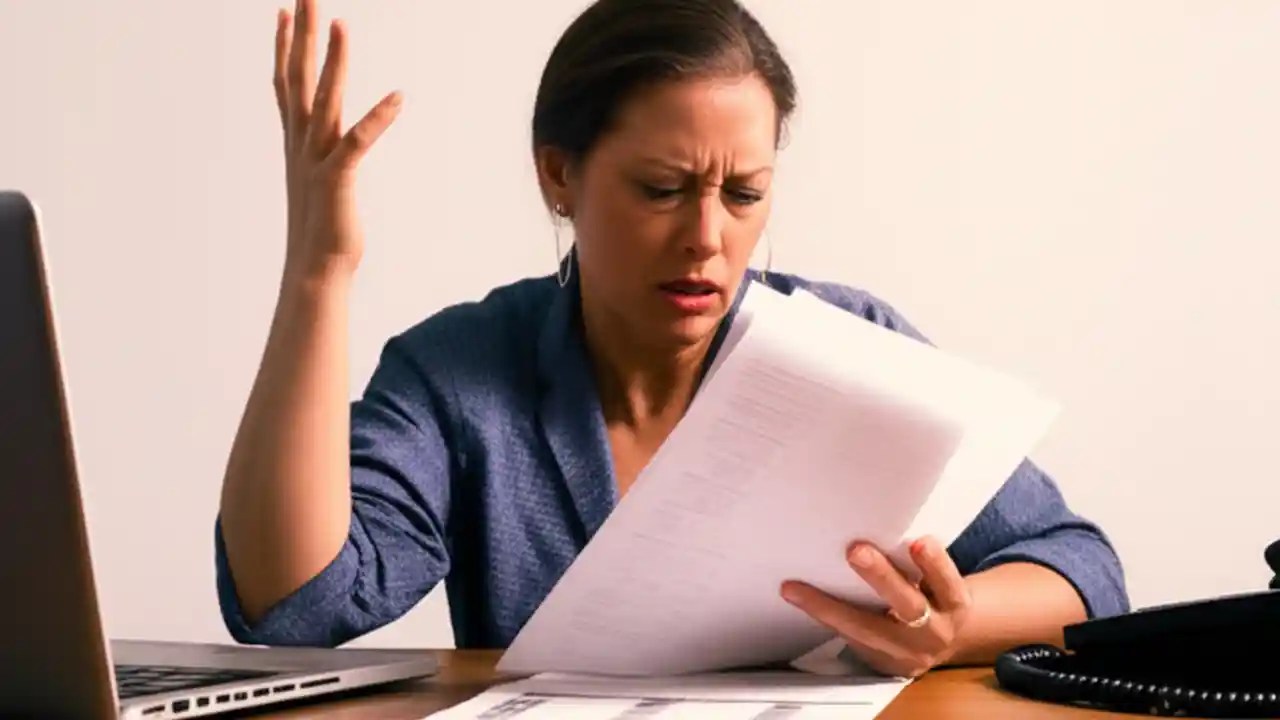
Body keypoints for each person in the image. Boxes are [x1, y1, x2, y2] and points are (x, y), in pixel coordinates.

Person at [215, 0, 1129, 678]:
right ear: (558, 175)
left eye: (744, 194)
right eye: (661, 190)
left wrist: (947, 628)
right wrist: (318, 273)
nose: (707, 237)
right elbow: (298, 605)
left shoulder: (851, 348)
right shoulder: (459, 375)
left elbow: (1082, 572)